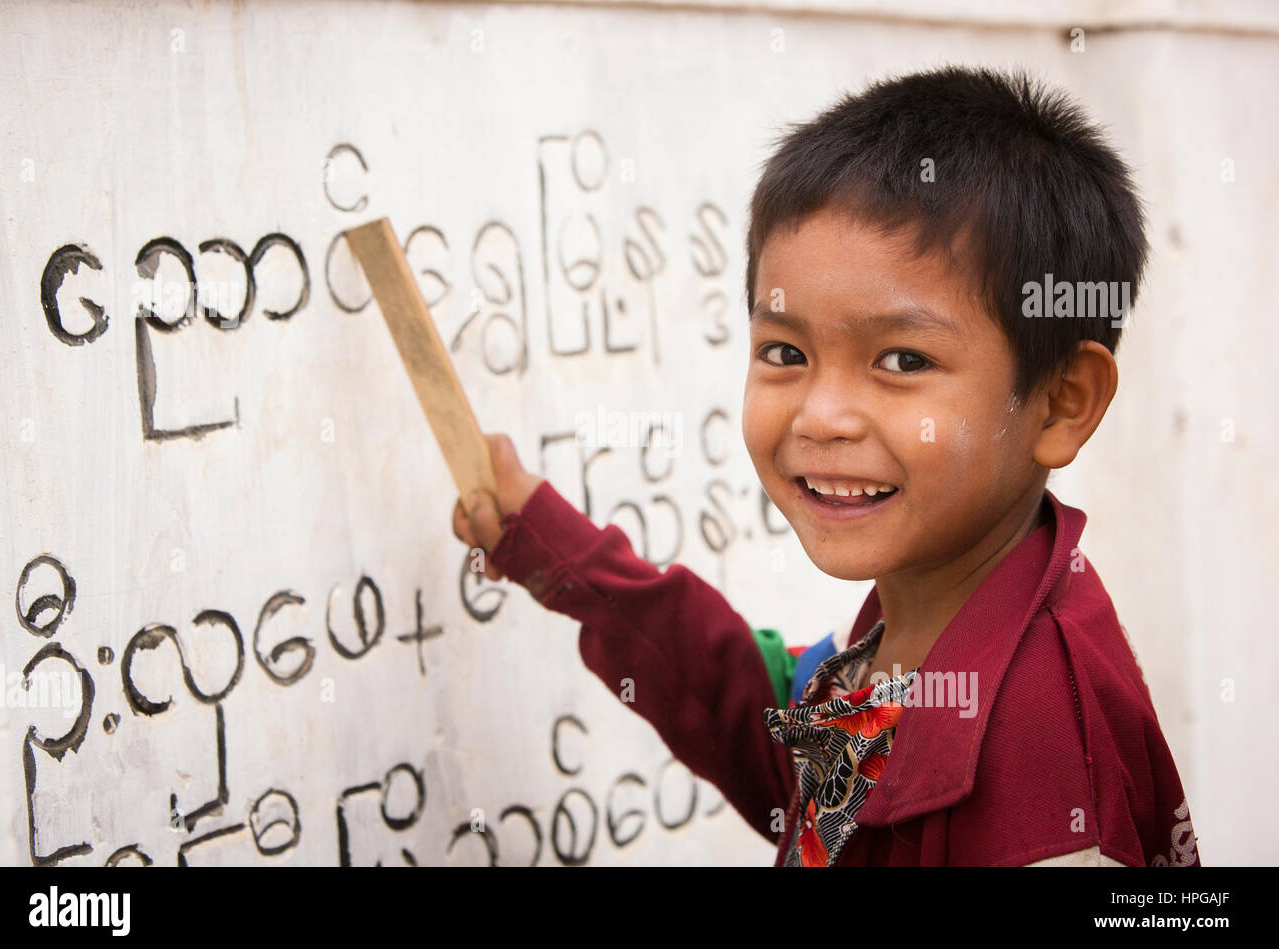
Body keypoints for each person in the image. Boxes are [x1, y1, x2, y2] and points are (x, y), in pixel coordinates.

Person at [452, 65, 1199, 867]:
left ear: (1059, 403)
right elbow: (793, 754)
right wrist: (559, 548)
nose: (821, 416)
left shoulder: (1041, 759)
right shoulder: (911, 631)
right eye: (785, 351)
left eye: (904, 359)